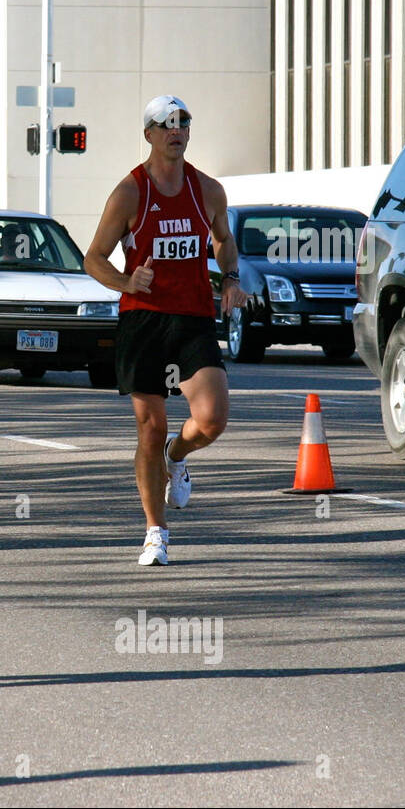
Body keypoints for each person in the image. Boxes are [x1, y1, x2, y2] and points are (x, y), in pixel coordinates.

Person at [83, 95, 248, 567]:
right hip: (144, 320)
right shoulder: (130, 193)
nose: (175, 131)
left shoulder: (208, 190)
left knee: (213, 419)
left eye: (183, 123)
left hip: (193, 317)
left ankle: (180, 455)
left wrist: (231, 280)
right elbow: (93, 257)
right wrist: (125, 280)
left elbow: (223, 239)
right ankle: (156, 531)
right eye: (165, 124)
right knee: (149, 429)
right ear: (149, 134)